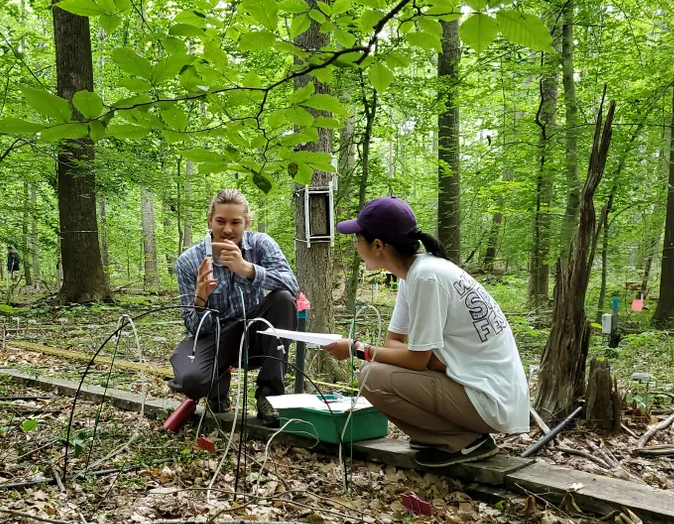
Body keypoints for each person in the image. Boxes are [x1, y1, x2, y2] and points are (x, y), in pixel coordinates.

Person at [322, 197, 529, 467]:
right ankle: (439, 436)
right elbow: (395, 343)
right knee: (376, 371)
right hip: (476, 388)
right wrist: (429, 361)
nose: (356, 247)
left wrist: (355, 348)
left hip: (490, 399)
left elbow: (414, 360)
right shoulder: (415, 273)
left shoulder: (427, 277)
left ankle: (463, 442)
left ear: (377, 246)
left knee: (371, 376)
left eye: (358, 239)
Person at [170, 188, 300, 426]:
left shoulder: (261, 245)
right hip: (215, 335)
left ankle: (269, 395)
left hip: (254, 333)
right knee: (191, 380)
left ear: (246, 222)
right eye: (220, 221)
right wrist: (200, 299)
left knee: (283, 299)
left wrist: (247, 269)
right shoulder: (189, 261)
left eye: (235, 222)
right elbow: (191, 324)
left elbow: (292, 285)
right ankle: (215, 389)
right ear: (210, 220)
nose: (227, 230)